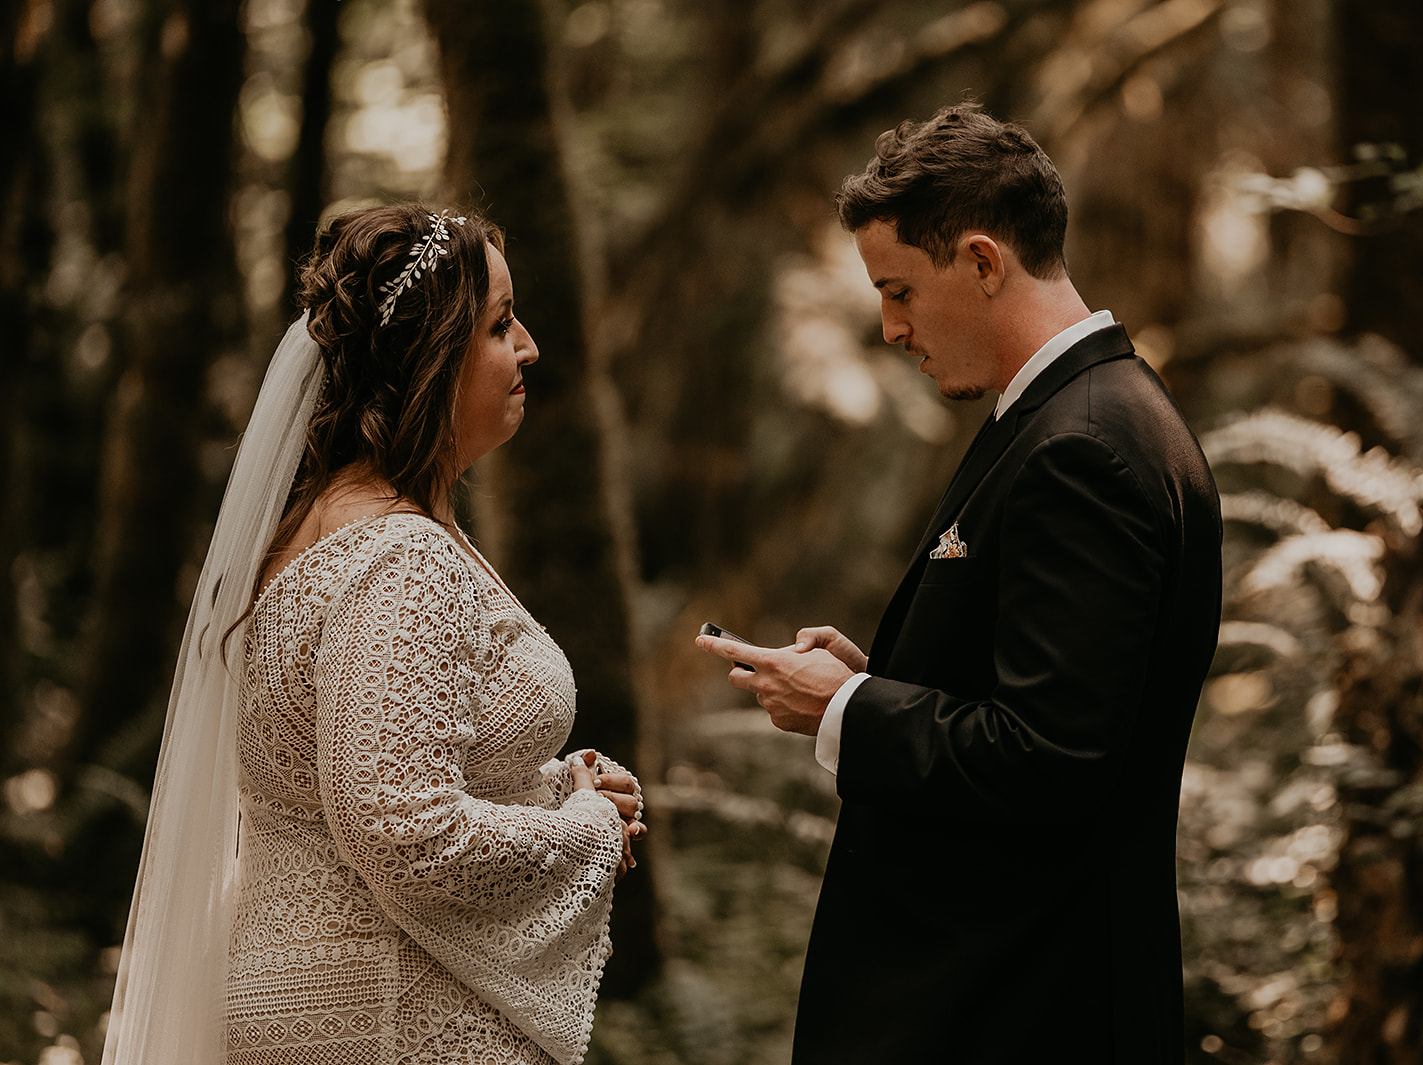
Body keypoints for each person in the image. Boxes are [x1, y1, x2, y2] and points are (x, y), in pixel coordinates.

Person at [697, 103, 1222, 1062]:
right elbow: (1051, 694)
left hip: (1014, 1005)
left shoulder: (1084, 449)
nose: (890, 329)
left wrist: (847, 708)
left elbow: (1052, 756)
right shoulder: (1090, 414)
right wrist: (885, 675)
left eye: (898, 290)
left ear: (982, 263)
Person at [103, 204, 644, 1065]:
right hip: (379, 1012)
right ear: (429, 358)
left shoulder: (319, 527)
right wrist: (585, 830)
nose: (530, 346)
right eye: (502, 324)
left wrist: (549, 784)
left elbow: (361, 774)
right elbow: (406, 826)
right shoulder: (399, 557)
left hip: (316, 993)